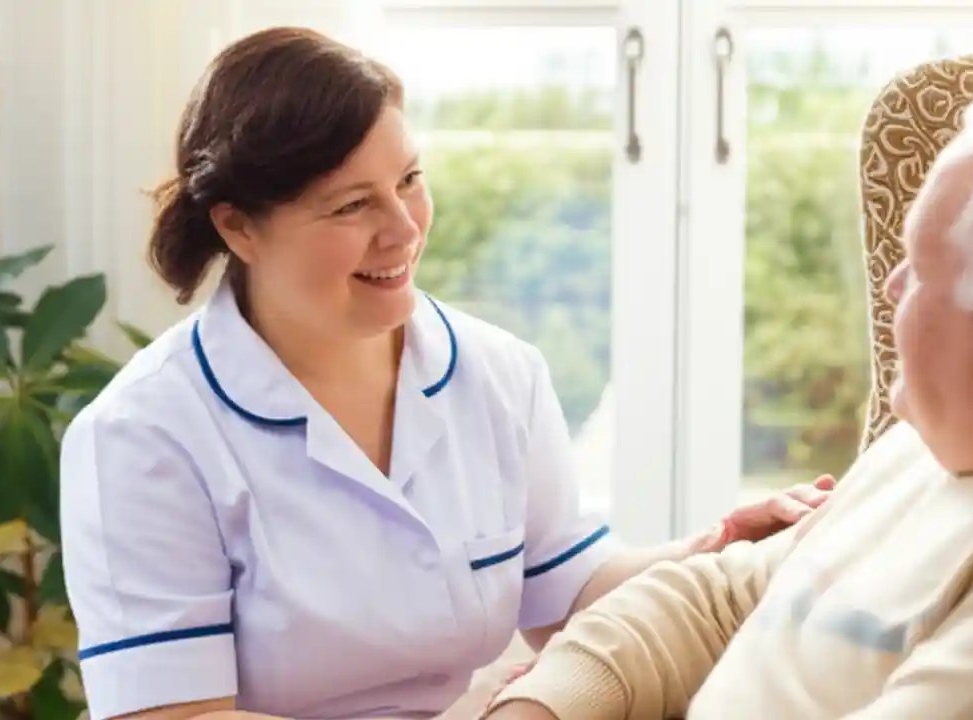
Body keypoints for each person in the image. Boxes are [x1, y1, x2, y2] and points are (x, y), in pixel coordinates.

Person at [58, 26, 833, 720]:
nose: (403, 229)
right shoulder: (142, 437)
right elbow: (172, 716)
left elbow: (562, 590)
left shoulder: (497, 374)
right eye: (351, 206)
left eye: (409, 181)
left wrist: (716, 552)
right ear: (238, 227)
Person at [486, 81, 973, 719]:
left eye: (921, 268)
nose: (893, 286)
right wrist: (542, 703)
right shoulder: (945, 441)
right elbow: (719, 597)